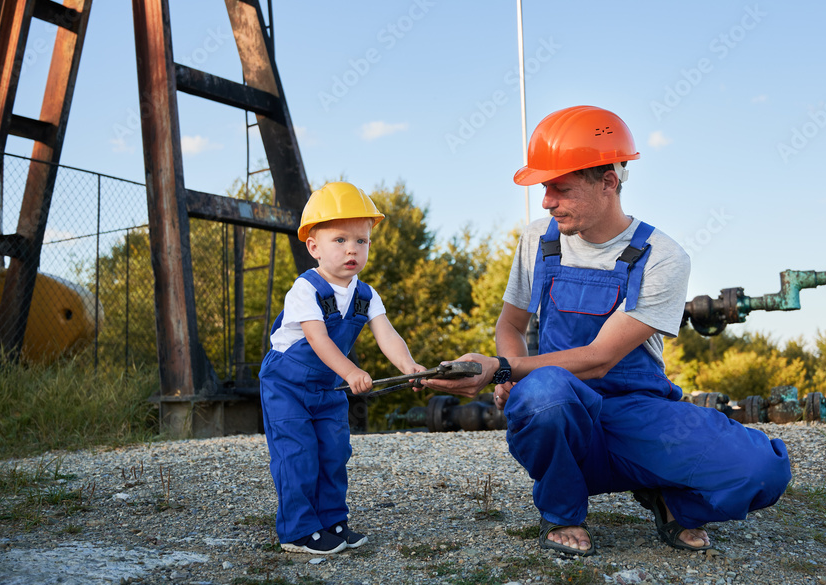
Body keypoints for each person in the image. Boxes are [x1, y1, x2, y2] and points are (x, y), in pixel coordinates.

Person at [424, 106, 791, 557]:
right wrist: (514, 375)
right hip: (565, 412)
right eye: (544, 188)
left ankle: (670, 493)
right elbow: (510, 324)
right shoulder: (538, 240)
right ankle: (562, 510)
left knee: (760, 469)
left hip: (639, 412)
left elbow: (600, 357)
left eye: (561, 188)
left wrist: (504, 367)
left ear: (609, 182)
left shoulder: (662, 256)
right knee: (545, 394)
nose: (546, 201)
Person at [259, 181, 425, 555]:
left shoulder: (366, 294)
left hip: (329, 387)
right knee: (298, 453)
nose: (352, 248)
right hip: (287, 387)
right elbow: (318, 340)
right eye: (340, 240)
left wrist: (409, 365)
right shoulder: (306, 289)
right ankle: (299, 531)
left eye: (361, 241)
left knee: (334, 452)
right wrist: (352, 372)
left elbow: (387, 335)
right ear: (314, 247)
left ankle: (332, 522)